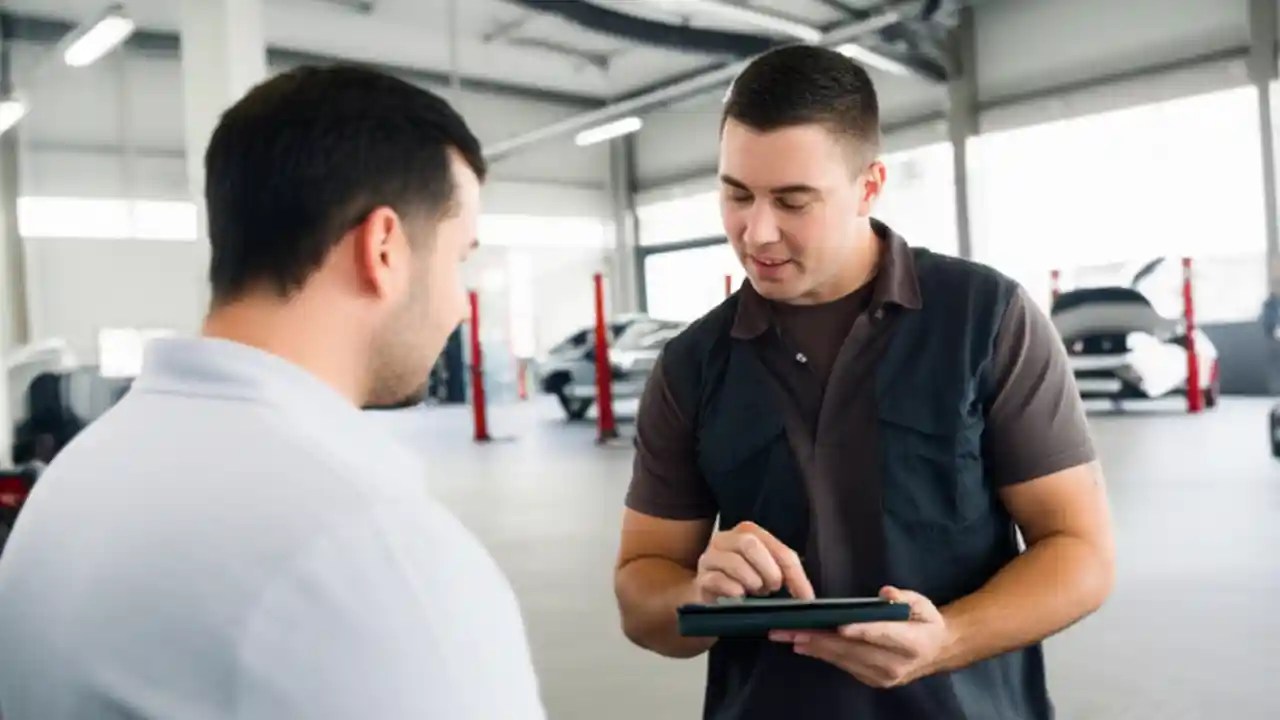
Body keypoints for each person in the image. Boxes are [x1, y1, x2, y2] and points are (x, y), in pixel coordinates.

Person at [0, 66, 545, 719]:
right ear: (384, 249)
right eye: (460, 257)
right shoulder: (379, 560)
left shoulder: (75, 480)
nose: (461, 304)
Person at [614, 45, 1115, 719]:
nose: (756, 232)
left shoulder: (985, 320)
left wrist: (949, 640)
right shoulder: (693, 362)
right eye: (737, 194)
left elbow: (1079, 553)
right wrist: (697, 595)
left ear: (869, 186)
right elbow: (640, 593)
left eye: (793, 201)